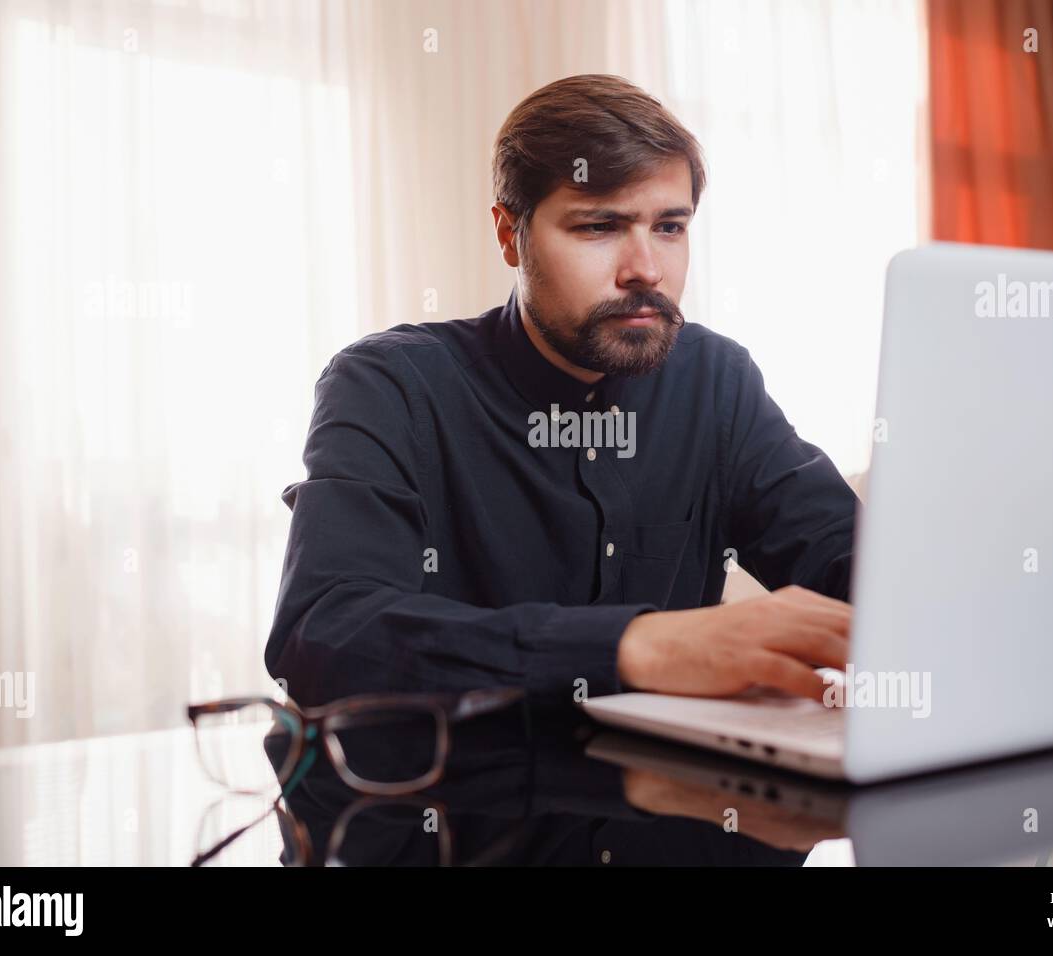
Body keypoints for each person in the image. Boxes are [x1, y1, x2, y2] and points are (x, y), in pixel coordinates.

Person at [266, 74, 855, 708]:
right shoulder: (389, 386)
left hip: (676, 795)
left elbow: (850, 562)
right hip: (452, 801)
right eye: (599, 227)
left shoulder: (718, 381)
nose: (647, 270)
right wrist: (639, 646)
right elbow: (323, 635)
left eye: (670, 227)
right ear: (507, 233)